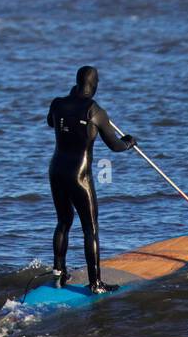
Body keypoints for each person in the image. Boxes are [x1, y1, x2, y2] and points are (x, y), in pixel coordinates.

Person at [46, 66, 135, 293]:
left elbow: (51, 122)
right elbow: (115, 146)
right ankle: (96, 284)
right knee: (90, 228)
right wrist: (129, 142)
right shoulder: (95, 111)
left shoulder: (57, 103)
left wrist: (71, 97)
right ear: (94, 85)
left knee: (63, 222)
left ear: (77, 83)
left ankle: (58, 275)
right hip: (79, 174)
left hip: (56, 170)